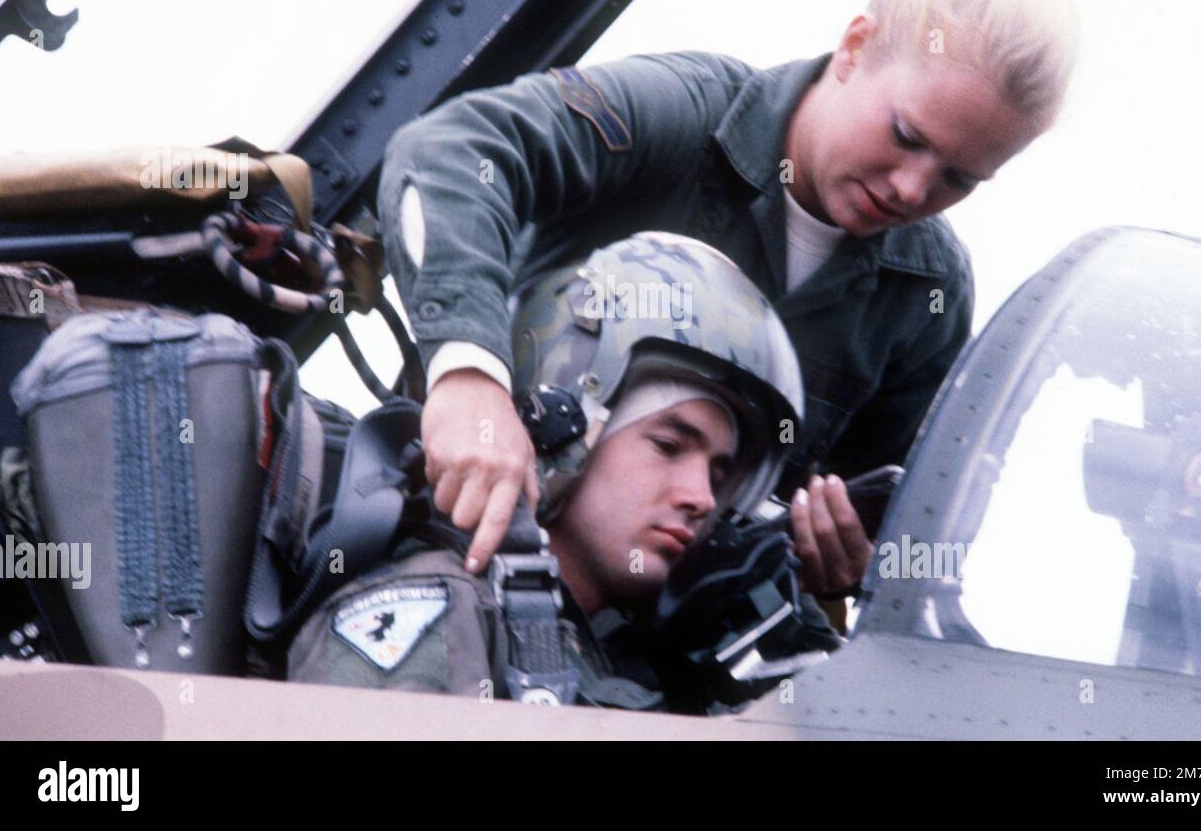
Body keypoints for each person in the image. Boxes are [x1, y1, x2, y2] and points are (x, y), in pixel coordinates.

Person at [376, 0, 1080, 582]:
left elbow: (897, 515)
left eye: (959, 177)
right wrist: (469, 377)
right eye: (906, 134)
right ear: (856, 48)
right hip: (464, 560)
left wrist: (853, 570)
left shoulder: (927, 296)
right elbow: (451, 152)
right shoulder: (684, 117)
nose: (912, 188)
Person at [286, 233, 861, 712]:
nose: (700, 497)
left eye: (719, 473)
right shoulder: (438, 610)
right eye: (667, 445)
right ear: (557, 435)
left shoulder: (629, 660)